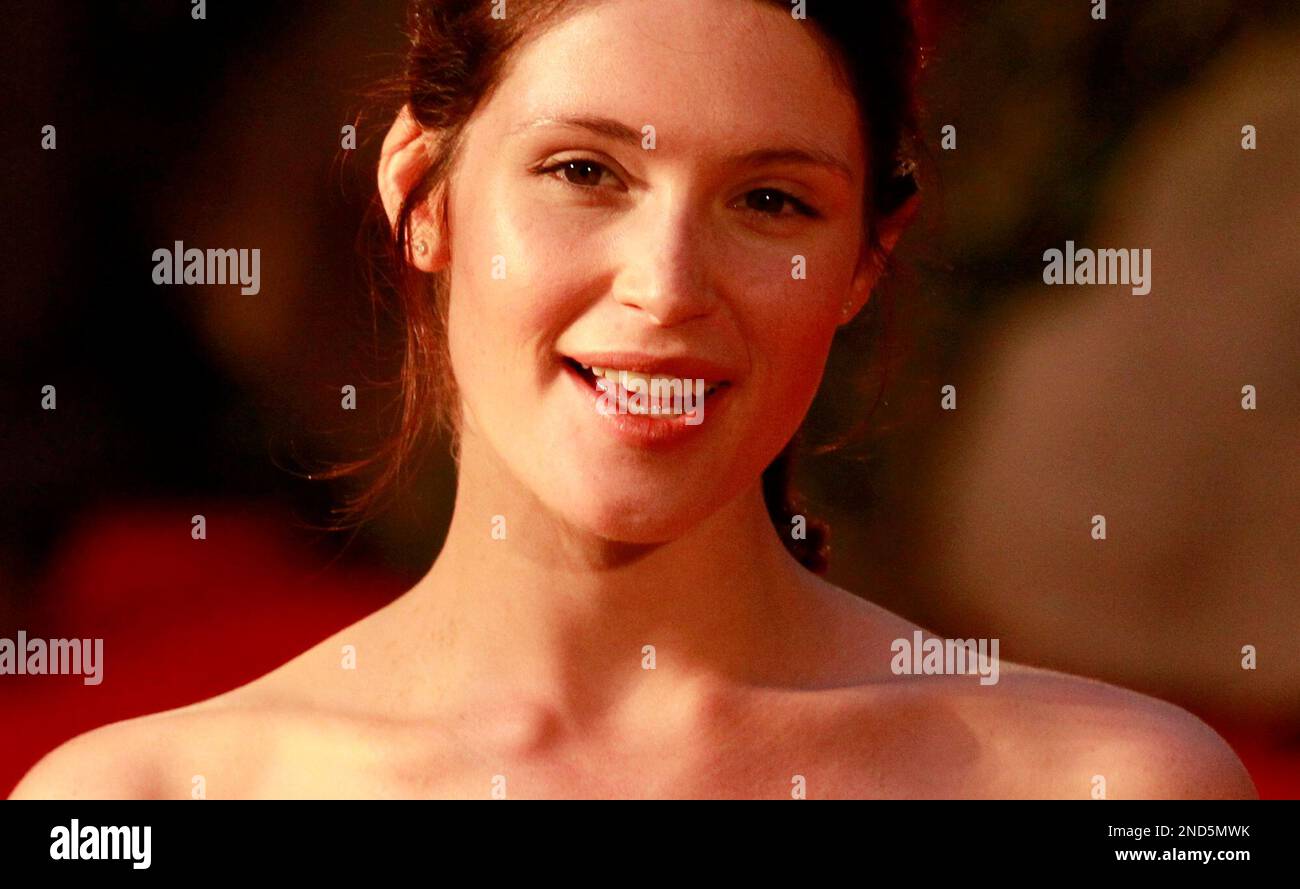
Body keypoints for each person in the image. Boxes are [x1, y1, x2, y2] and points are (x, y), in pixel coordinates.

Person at [12, 0, 1255, 799]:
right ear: (422, 191)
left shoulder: (1121, 791)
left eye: (771, 200)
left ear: (869, 257)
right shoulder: (131, 805)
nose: (665, 289)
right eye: (583, 171)